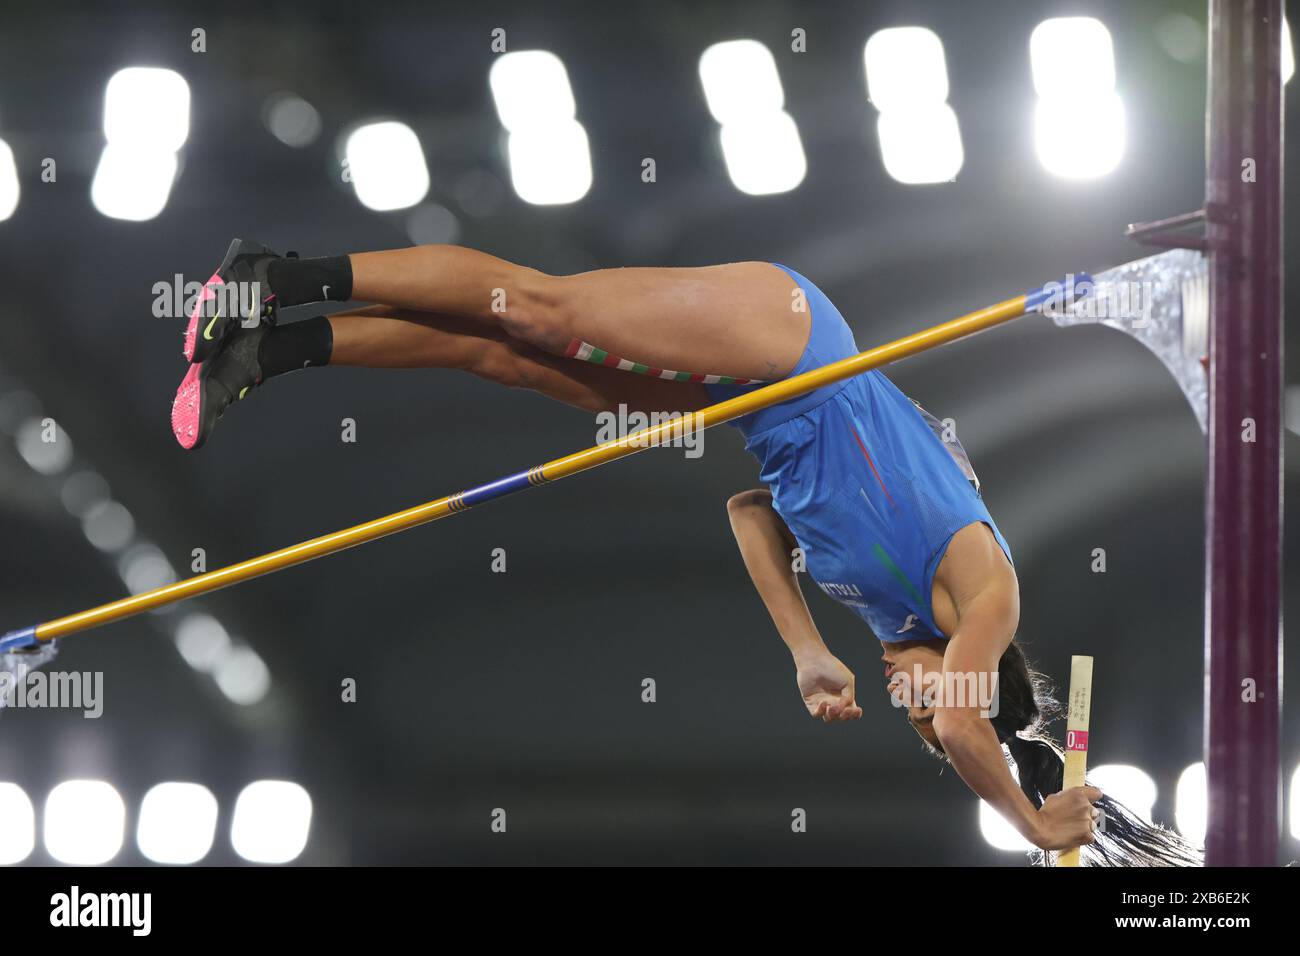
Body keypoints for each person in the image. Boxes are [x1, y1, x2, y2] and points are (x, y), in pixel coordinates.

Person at [173, 239, 1199, 865]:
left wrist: (803, 648)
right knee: (538, 307)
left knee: (512, 360)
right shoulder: (981, 588)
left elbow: (751, 512)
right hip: (791, 340)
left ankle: (270, 350)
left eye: (914, 717)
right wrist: (1030, 820)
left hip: (751, 406)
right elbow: (975, 731)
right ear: (971, 674)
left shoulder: (879, 617)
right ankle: (277, 276)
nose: (913, 701)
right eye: (928, 702)